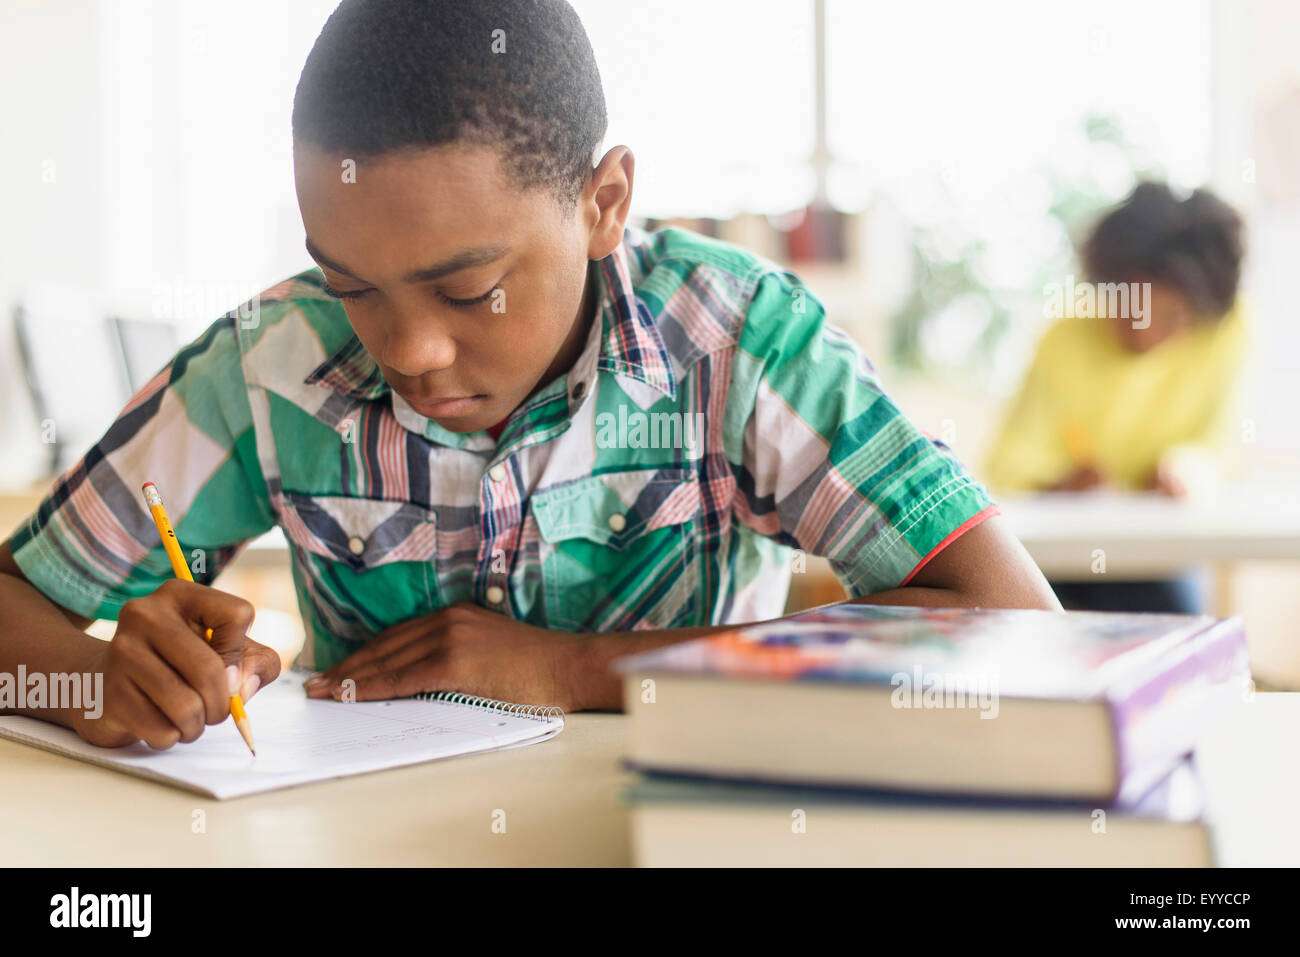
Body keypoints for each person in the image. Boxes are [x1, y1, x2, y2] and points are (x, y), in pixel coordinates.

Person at [0, 0, 1056, 751]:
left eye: (467, 291)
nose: (405, 352)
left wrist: (568, 670)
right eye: (353, 286)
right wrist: (97, 678)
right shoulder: (270, 363)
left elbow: (1014, 626)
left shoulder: (735, 342)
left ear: (603, 203)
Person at [985, 181, 1247, 612]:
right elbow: (1006, 464)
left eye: (1172, 317)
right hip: (1061, 558)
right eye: (1128, 309)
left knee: (1173, 617)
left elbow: (1221, 445)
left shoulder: (1229, 331)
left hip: (1161, 557)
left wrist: (1184, 470)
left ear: (1203, 312)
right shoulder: (1065, 336)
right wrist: (1058, 483)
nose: (1143, 332)